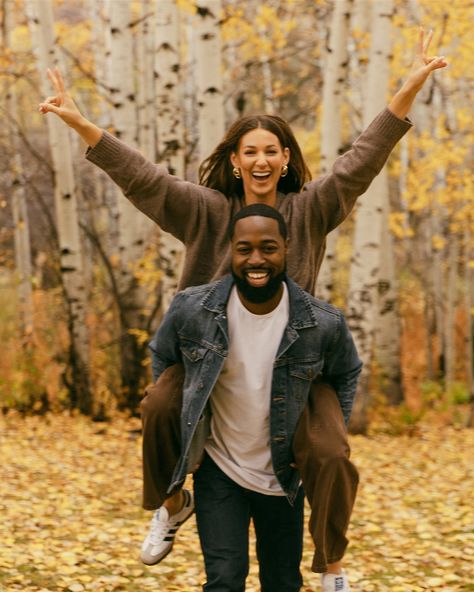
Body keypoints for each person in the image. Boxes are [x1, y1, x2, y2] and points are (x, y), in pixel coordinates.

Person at [39, 27, 447, 589]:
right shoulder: (204, 211)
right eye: (249, 151)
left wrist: (408, 86)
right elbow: (142, 178)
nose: (260, 159)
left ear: (285, 160)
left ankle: (330, 565)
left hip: (295, 360)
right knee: (158, 403)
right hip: (209, 356)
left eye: (271, 151)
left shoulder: (311, 210)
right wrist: (82, 124)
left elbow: (363, 160)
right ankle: (171, 500)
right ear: (235, 160)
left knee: (331, 450)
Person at [148, 204, 362, 591]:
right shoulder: (192, 309)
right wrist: (182, 416)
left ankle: (332, 565)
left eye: (268, 248)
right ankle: (171, 505)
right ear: (230, 249)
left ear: (287, 248)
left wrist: (323, 435)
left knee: (281, 582)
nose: (256, 259)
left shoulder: (322, 323)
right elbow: (163, 356)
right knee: (225, 580)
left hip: (283, 472)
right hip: (219, 466)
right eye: (244, 249)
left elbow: (346, 373)